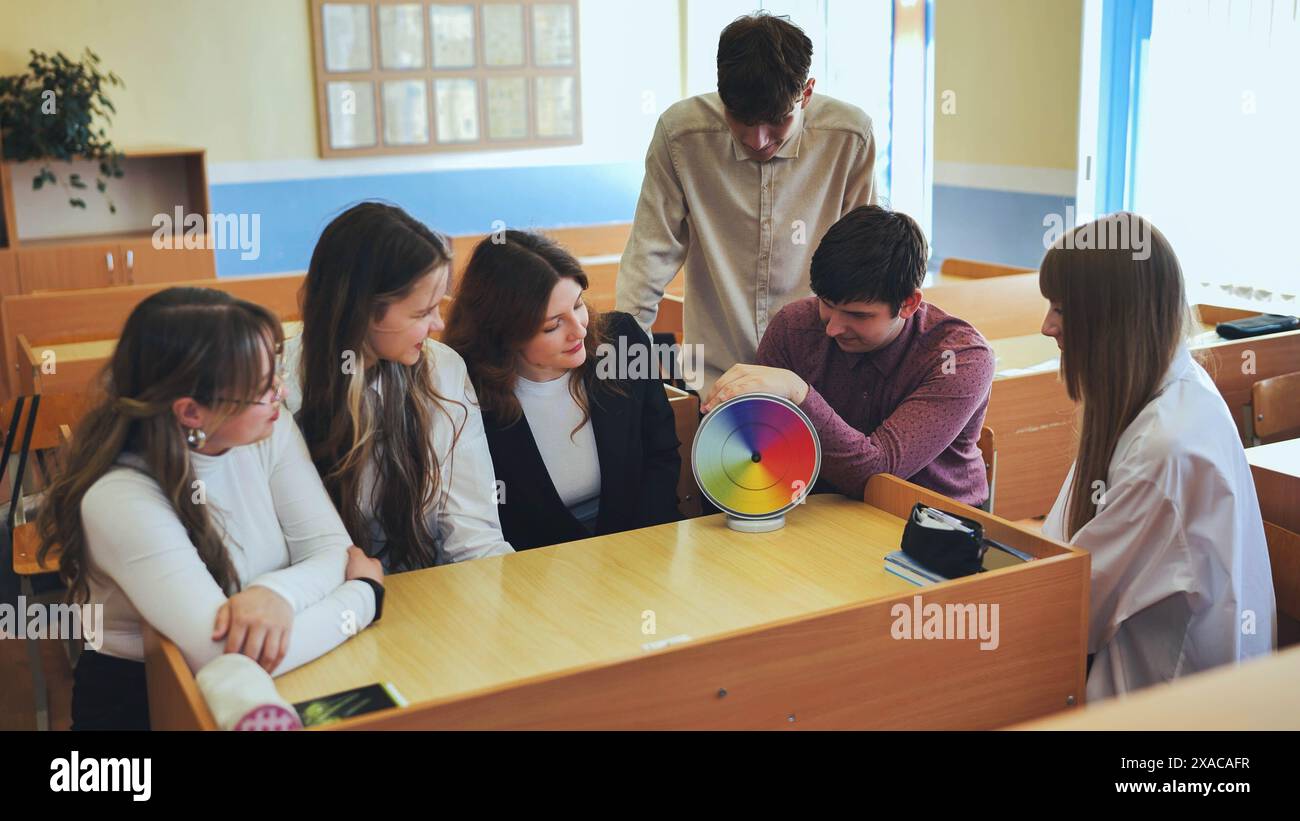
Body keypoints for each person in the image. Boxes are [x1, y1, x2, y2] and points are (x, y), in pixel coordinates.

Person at [36, 288, 382, 730]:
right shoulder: (119, 498)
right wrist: (365, 596)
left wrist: (275, 594)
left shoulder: (268, 429)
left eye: (274, 371)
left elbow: (334, 549)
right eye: (259, 386)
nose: (279, 390)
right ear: (191, 412)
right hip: (145, 703)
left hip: (288, 671)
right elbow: (232, 661)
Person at [1038, 213, 1275, 700]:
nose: (1047, 327)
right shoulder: (1171, 392)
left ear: (1110, 319)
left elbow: (1070, 611)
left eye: (1061, 309)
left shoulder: (1163, 449)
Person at [617, 11, 878, 395]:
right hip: (713, 376)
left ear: (806, 93)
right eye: (740, 119)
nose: (757, 140)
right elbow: (648, 258)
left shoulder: (849, 137)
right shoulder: (681, 136)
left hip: (819, 377)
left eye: (776, 120)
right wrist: (623, 373)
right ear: (721, 93)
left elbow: (865, 264)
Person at [704, 206, 993, 507]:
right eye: (826, 304)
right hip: (820, 514)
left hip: (936, 526)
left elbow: (877, 476)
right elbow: (758, 447)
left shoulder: (959, 358)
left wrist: (798, 392)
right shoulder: (793, 327)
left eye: (857, 315)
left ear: (909, 303)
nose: (832, 328)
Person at [286, 202, 513, 571]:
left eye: (438, 306)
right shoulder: (281, 389)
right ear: (361, 310)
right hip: (322, 595)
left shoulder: (443, 368)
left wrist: (500, 607)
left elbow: (472, 531)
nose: (438, 325)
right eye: (422, 313)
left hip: (424, 592)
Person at [443, 230, 682, 550]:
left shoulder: (622, 343)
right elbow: (488, 526)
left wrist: (636, 554)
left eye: (579, 305)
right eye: (552, 325)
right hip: (533, 572)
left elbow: (661, 456)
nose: (579, 329)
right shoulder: (467, 389)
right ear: (504, 333)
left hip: (638, 551)